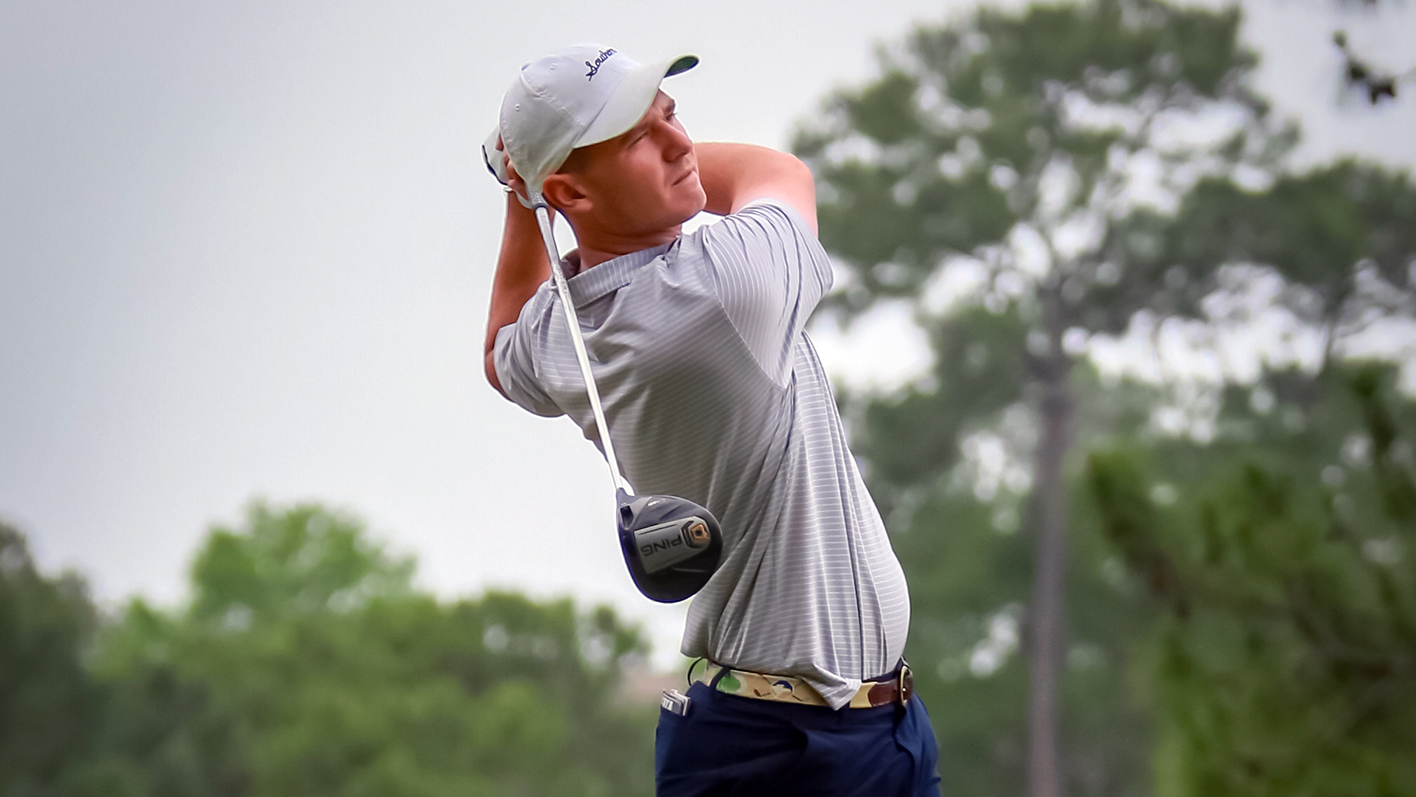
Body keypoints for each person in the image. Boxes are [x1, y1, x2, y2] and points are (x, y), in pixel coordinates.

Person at [482, 44, 941, 796]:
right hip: (790, 751)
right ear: (575, 193)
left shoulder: (561, 334)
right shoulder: (721, 289)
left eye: (672, 116)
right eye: (639, 139)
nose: (679, 144)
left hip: (861, 729)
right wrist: (528, 185)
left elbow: (500, 353)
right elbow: (777, 173)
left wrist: (524, 194)